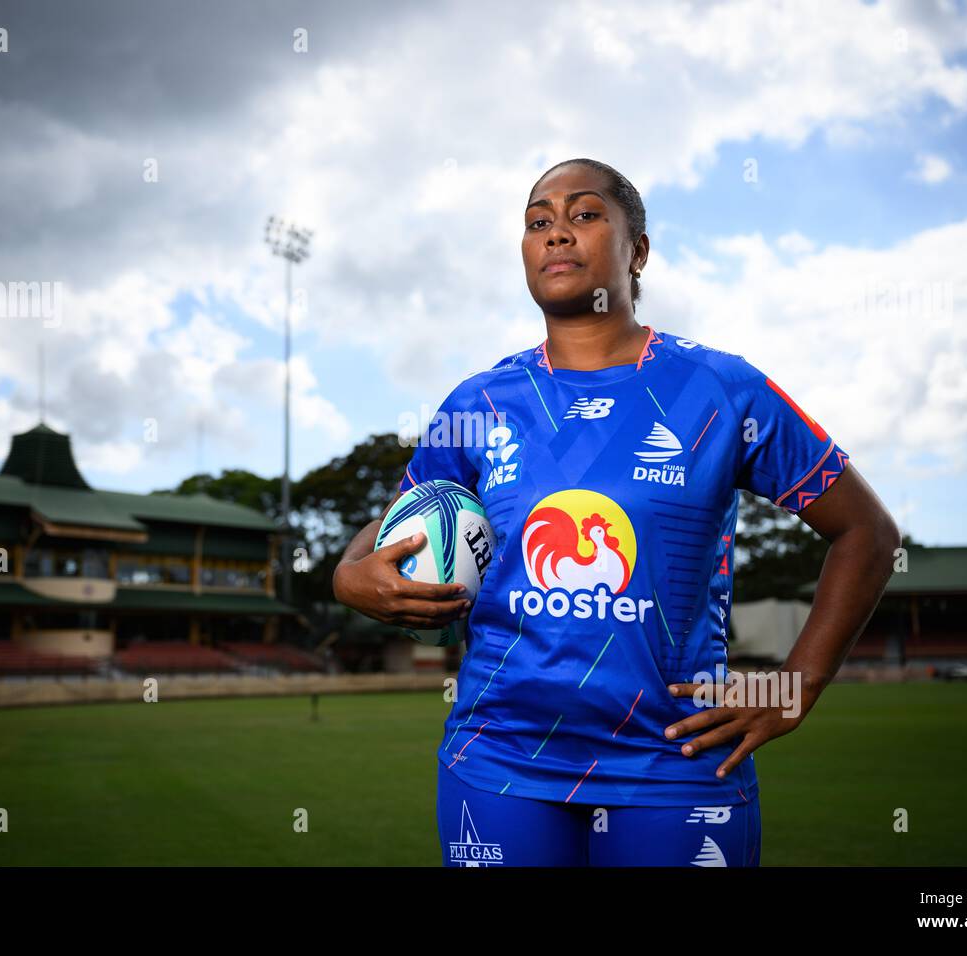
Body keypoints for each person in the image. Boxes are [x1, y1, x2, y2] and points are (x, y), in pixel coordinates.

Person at [332, 158, 900, 867]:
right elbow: (398, 520)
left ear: (638, 250)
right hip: (501, 758)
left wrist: (797, 684)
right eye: (538, 221)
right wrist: (349, 575)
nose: (556, 233)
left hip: (676, 761)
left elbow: (866, 532)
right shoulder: (478, 402)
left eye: (585, 214)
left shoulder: (721, 389)